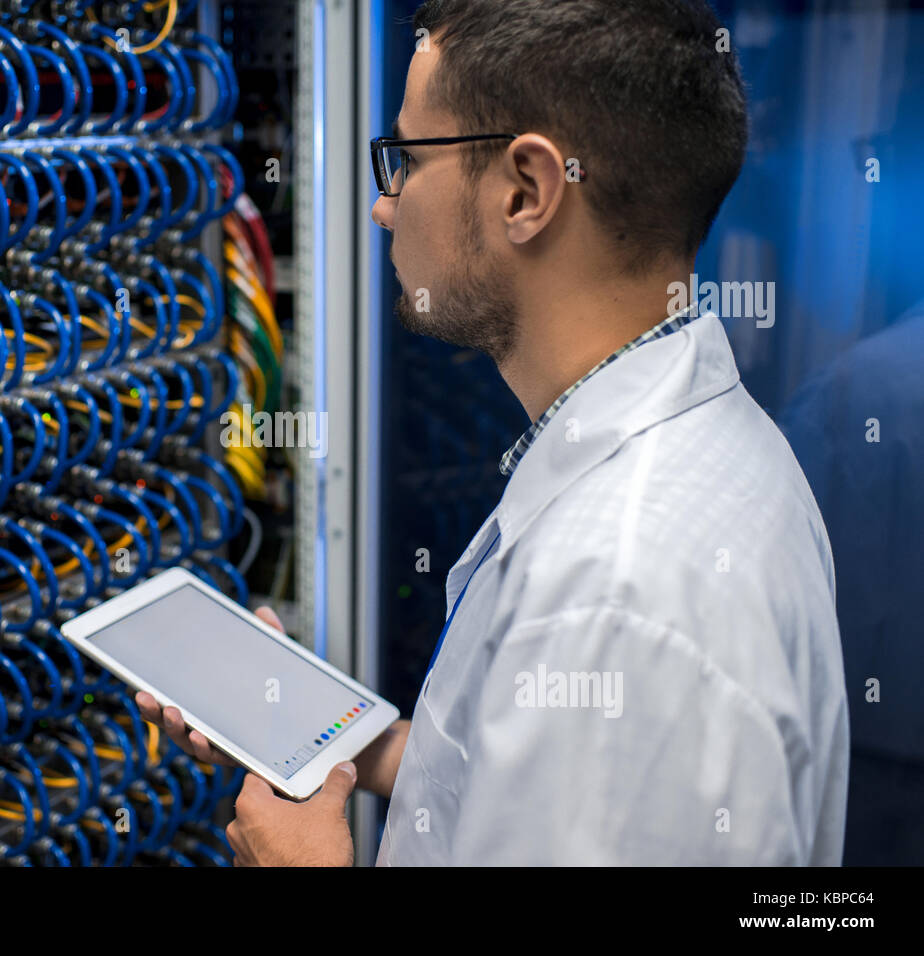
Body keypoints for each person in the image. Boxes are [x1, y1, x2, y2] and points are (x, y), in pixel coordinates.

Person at [138, 0, 849, 865]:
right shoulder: (716, 448)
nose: (381, 207)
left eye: (404, 159)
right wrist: (342, 745)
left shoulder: (615, 596)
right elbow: (536, 785)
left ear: (527, 191)